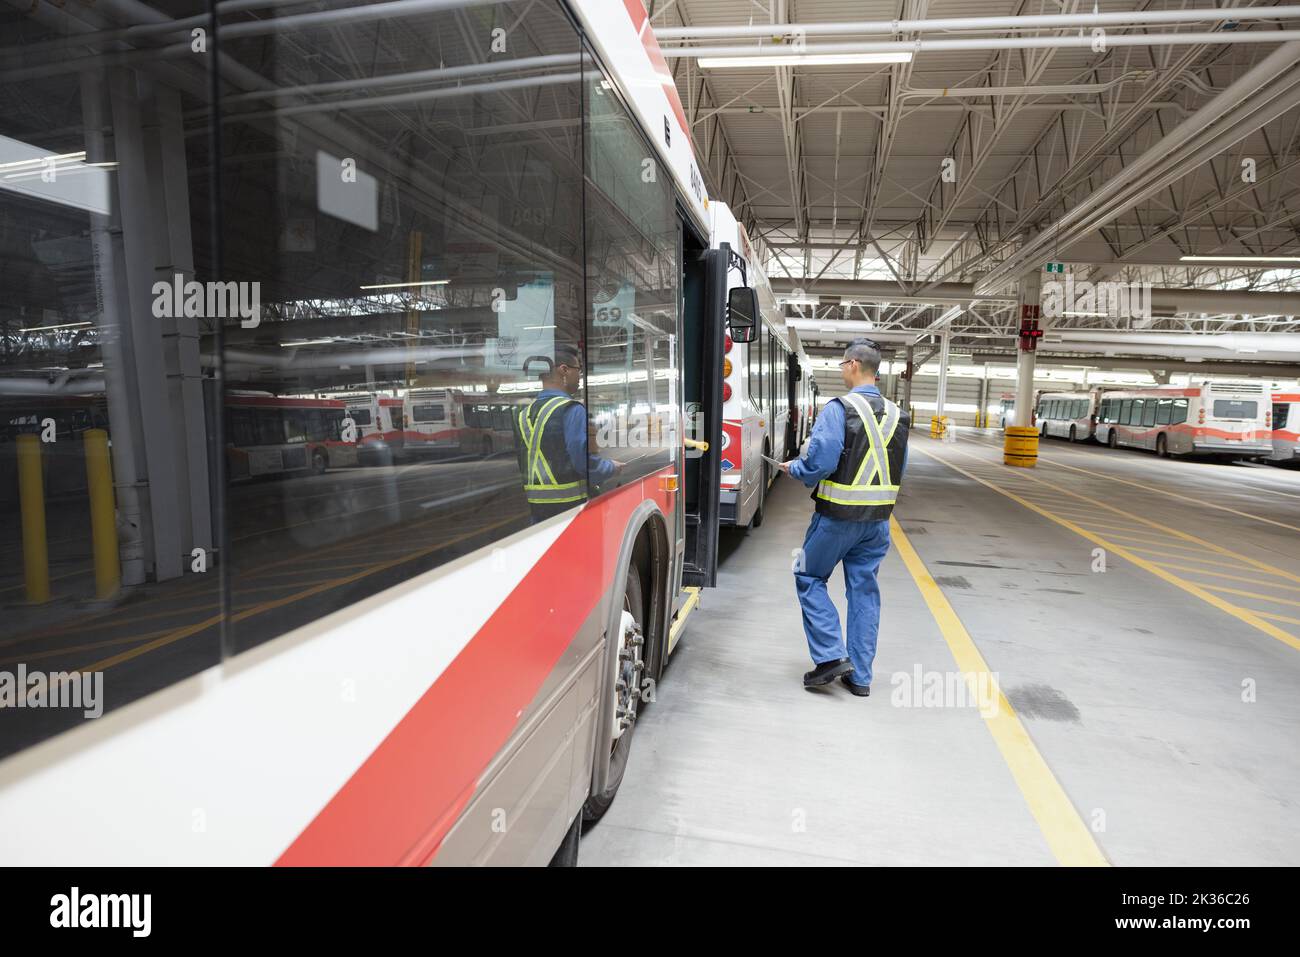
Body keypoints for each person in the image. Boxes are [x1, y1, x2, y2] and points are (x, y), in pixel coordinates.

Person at [779, 338, 909, 696]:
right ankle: (861, 677)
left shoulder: (839, 409)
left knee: (807, 574)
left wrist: (797, 470)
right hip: (878, 524)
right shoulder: (899, 415)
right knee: (864, 591)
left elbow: (820, 461)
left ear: (852, 365)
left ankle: (831, 657)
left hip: (836, 519)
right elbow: (901, 467)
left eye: (842, 365)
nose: (841, 370)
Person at [514, 343, 618, 522]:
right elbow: (582, 461)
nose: (580, 376)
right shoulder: (571, 409)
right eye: (578, 370)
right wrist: (610, 468)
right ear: (564, 370)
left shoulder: (523, 414)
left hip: (537, 511)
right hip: (572, 510)